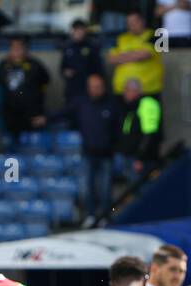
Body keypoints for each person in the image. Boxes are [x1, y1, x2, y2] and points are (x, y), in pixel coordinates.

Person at [73, 72, 120, 228]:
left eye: (98, 86)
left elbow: (118, 128)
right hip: (88, 153)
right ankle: (91, 215)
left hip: (106, 154)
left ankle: (105, 216)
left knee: (105, 189)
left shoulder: (111, 104)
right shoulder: (82, 103)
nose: (95, 89)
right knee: (86, 188)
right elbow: (64, 113)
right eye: (92, 86)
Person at [0, 35, 50, 141]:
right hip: (9, 112)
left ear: (25, 49)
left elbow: (45, 81)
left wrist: (37, 101)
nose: (16, 51)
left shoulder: (35, 65)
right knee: (10, 142)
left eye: (19, 47)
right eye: (13, 48)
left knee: (32, 141)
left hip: (31, 112)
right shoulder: (3, 65)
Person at [108, 12, 163, 100]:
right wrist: (134, 55)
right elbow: (111, 59)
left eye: (135, 22)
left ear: (143, 21)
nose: (132, 25)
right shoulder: (121, 38)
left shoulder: (157, 35)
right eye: (129, 23)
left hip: (147, 91)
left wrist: (122, 56)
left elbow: (145, 54)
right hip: (122, 91)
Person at [115, 78, 161, 179]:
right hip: (127, 156)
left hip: (140, 159)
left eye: (127, 90)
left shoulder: (147, 104)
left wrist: (141, 158)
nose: (124, 93)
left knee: (142, 190)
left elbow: (149, 133)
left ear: (136, 91)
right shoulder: (130, 107)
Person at [60, 19, 103, 110]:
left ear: (85, 31)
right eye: (76, 30)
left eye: (81, 30)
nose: (78, 33)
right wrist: (65, 72)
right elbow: (62, 67)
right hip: (72, 88)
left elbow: (99, 70)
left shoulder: (92, 47)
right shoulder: (68, 47)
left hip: (88, 89)